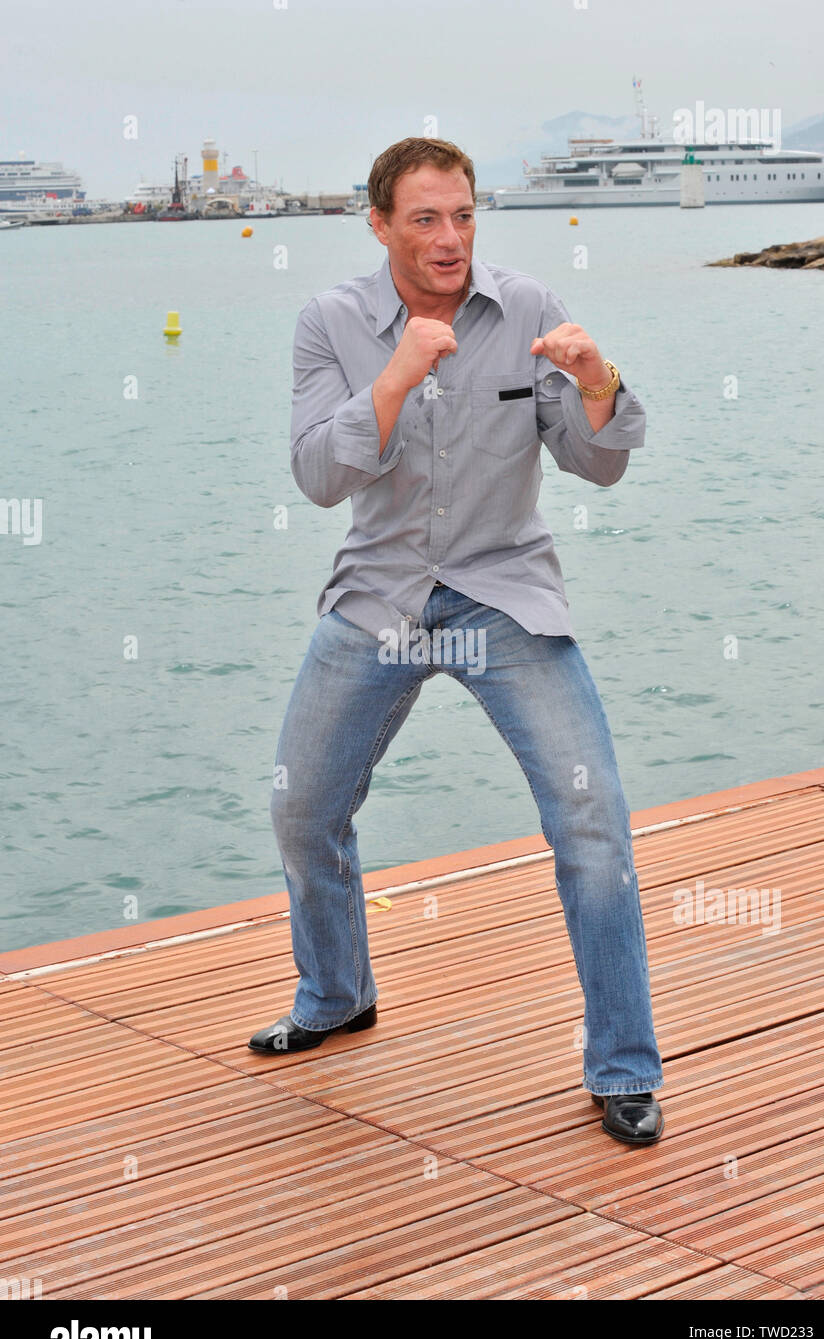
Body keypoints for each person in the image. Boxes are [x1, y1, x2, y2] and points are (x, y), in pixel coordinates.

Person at [249, 137, 664, 1146]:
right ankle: (337, 992)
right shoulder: (332, 322)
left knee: (594, 821)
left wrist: (598, 379)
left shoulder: (524, 306)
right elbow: (316, 475)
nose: (451, 239)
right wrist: (392, 376)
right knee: (301, 811)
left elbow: (594, 462)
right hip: (379, 595)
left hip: (502, 594)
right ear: (380, 223)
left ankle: (622, 1067)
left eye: (466, 215)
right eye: (427, 218)